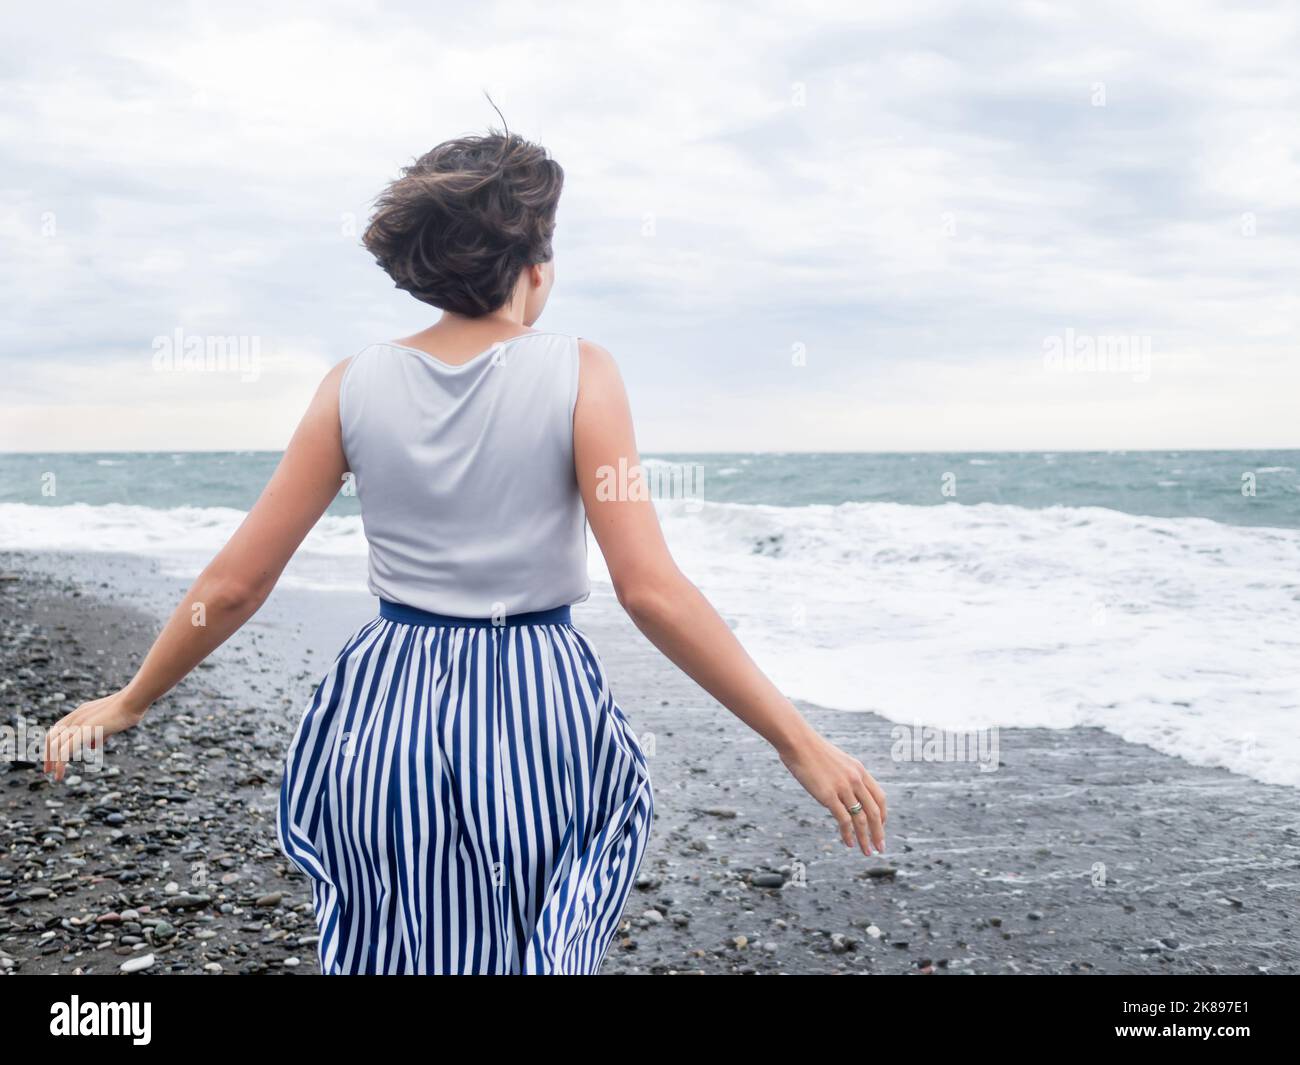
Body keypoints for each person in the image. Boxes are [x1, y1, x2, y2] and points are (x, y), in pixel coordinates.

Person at [43, 127, 886, 974]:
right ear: (535, 267)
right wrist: (795, 740)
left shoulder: (352, 382)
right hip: (534, 700)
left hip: (384, 708)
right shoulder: (583, 371)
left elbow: (235, 583)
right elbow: (651, 592)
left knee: (399, 944)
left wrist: (134, 697)